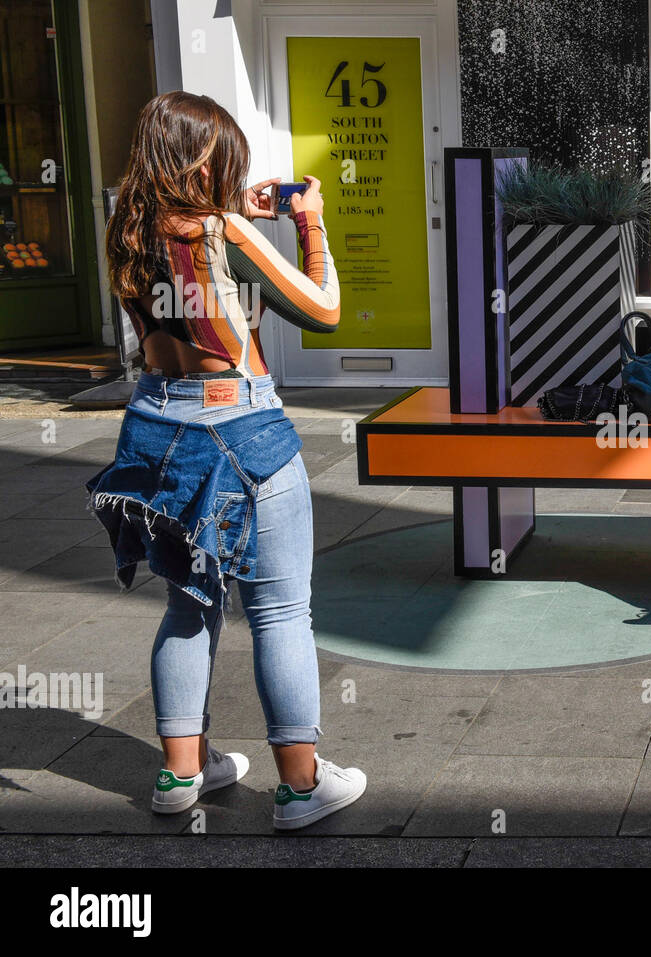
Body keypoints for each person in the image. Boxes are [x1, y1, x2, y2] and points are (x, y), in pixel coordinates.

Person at [90, 91, 366, 829]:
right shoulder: (222, 229)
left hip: (154, 422)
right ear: (201, 156)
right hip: (238, 425)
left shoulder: (126, 223)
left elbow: (193, 292)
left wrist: (232, 211)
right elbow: (324, 308)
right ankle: (302, 789)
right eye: (221, 155)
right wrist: (308, 224)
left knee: (188, 602)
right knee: (280, 610)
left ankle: (182, 775)